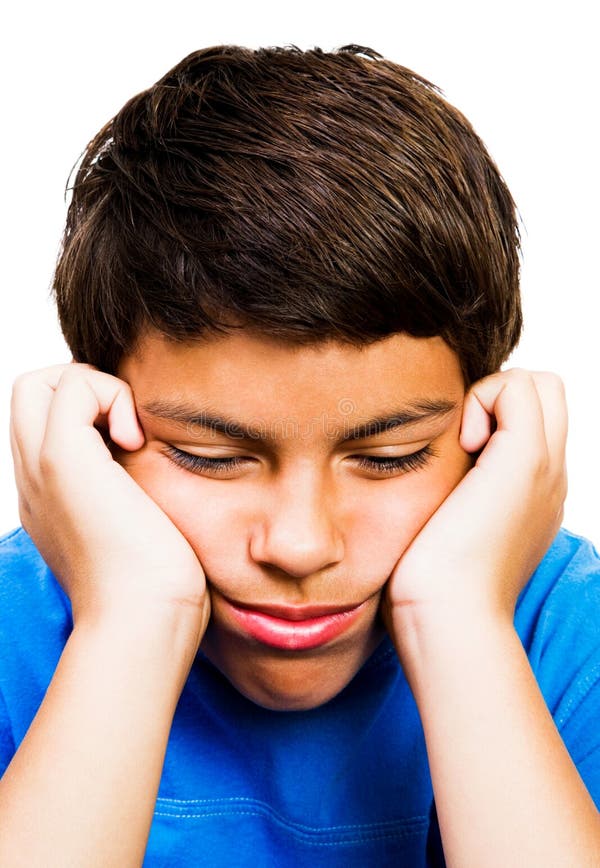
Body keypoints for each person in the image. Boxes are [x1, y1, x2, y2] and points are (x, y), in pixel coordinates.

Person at [0, 44, 598, 867]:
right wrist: (134, 618)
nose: (300, 544)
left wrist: (456, 614)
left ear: (489, 433)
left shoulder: (565, 632)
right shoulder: (15, 633)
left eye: (391, 457)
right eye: (209, 456)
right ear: (94, 428)